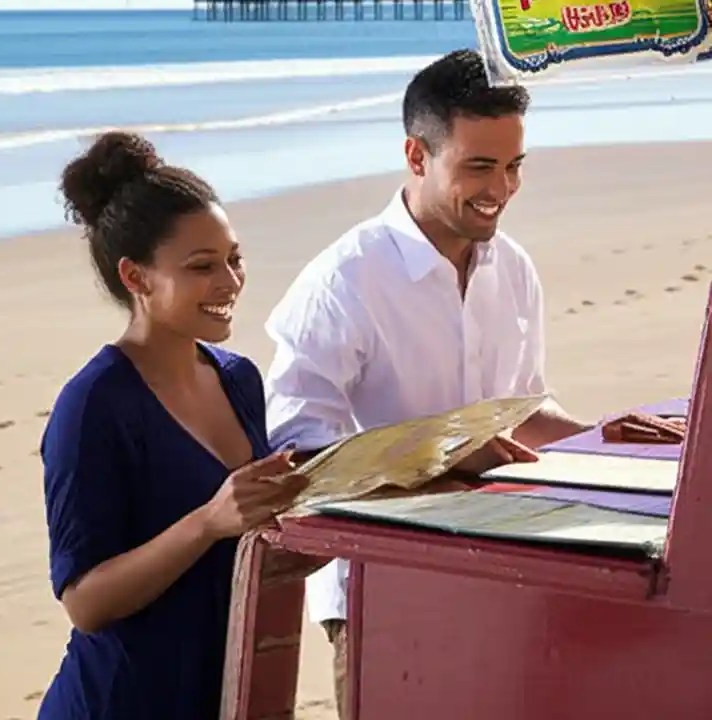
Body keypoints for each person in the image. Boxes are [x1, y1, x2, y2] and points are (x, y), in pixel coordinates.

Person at [261, 49, 593, 719]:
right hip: (381, 586)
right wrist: (442, 455)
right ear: (417, 155)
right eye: (478, 166)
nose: (500, 188)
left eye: (512, 166)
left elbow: (522, 405)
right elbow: (296, 456)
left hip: (506, 564)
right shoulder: (344, 282)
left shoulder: (515, 267)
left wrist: (625, 446)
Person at [37, 130, 309, 720]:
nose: (231, 282)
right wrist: (207, 523)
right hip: (119, 703)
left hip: (223, 695)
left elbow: (249, 537)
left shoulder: (238, 379)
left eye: (234, 259)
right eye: (202, 267)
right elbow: (85, 602)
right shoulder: (93, 407)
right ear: (135, 277)